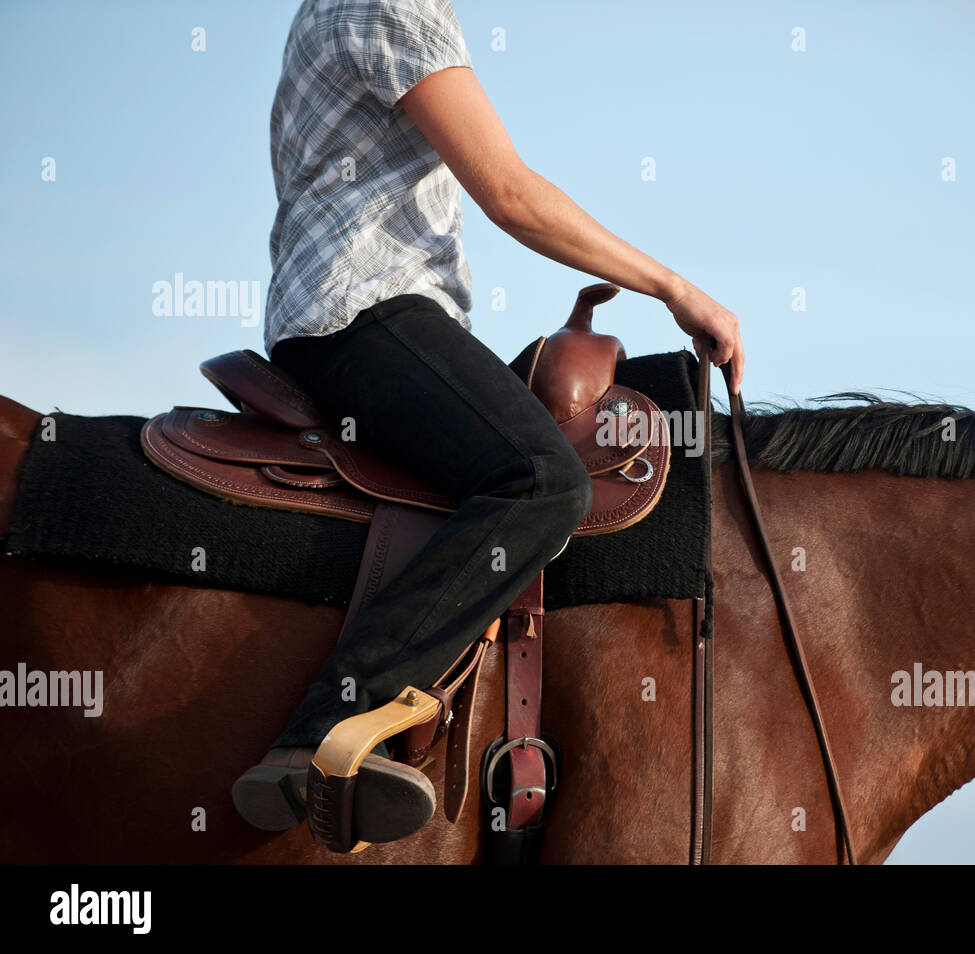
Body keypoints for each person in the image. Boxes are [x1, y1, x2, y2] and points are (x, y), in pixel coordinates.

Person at [232, 0, 744, 843]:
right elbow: (509, 192)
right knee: (541, 481)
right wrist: (673, 287)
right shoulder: (391, 4)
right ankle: (327, 728)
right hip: (363, 312)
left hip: (356, 312)